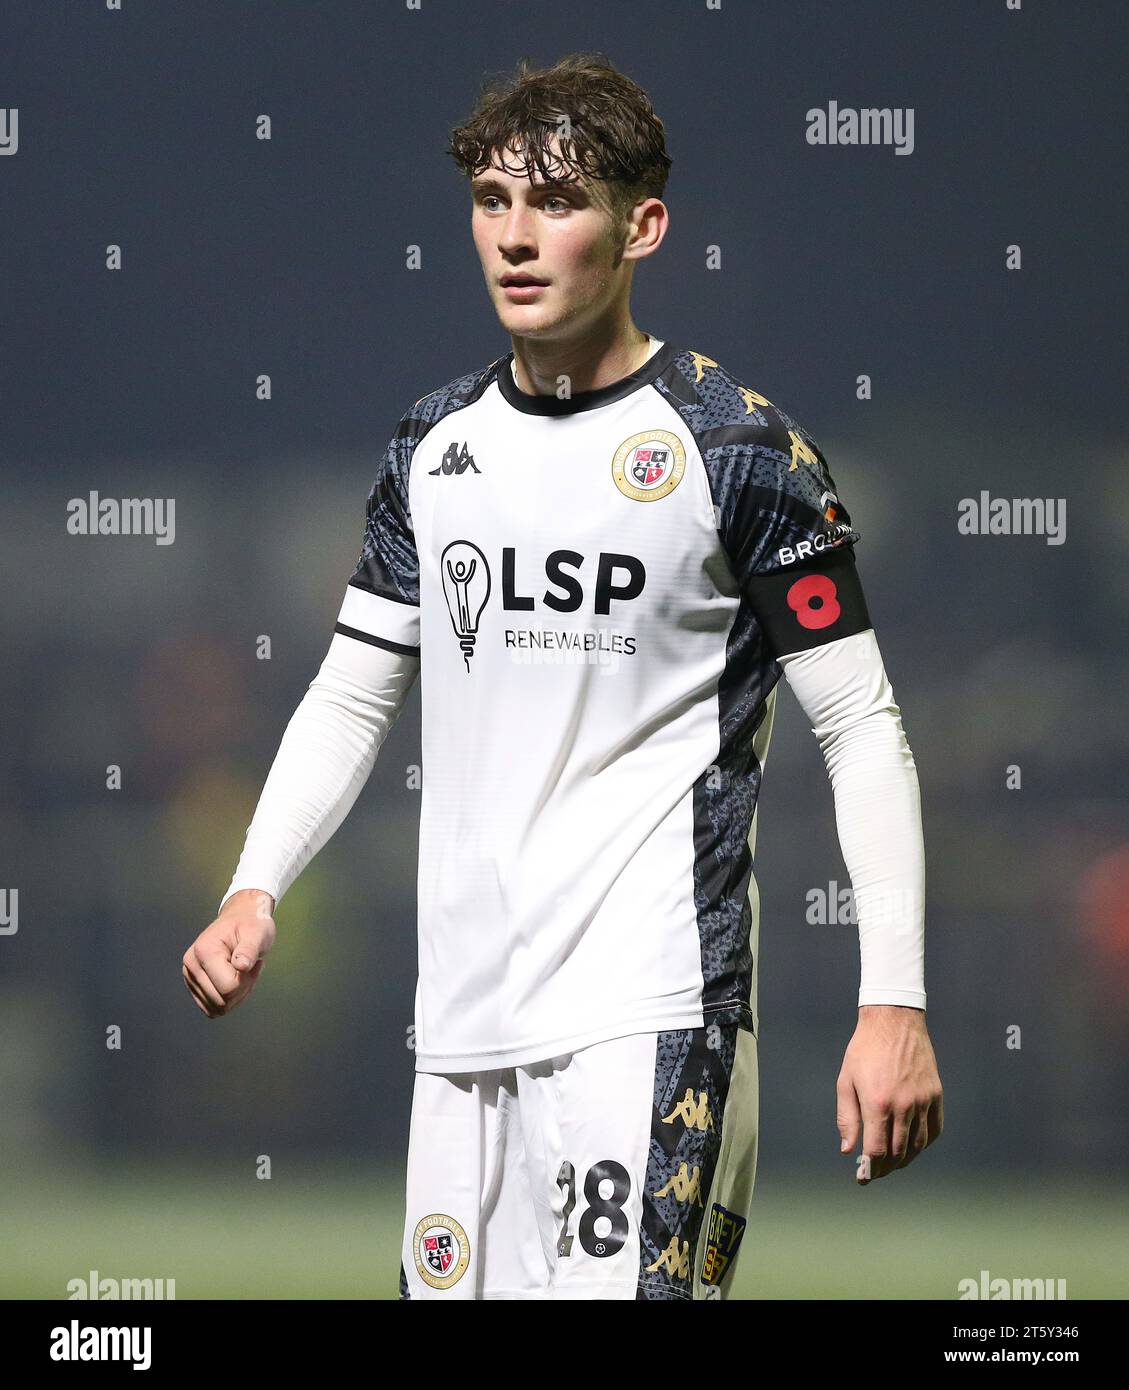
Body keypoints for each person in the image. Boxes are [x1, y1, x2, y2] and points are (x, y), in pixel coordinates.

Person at [182, 52, 943, 1301]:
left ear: (641, 226)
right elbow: (354, 690)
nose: (515, 239)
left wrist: (893, 1000)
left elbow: (860, 725)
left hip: (650, 1011)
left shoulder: (739, 451)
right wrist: (256, 882)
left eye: (557, 202)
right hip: (465, 1022)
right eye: (491, 201)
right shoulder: (435, 447)